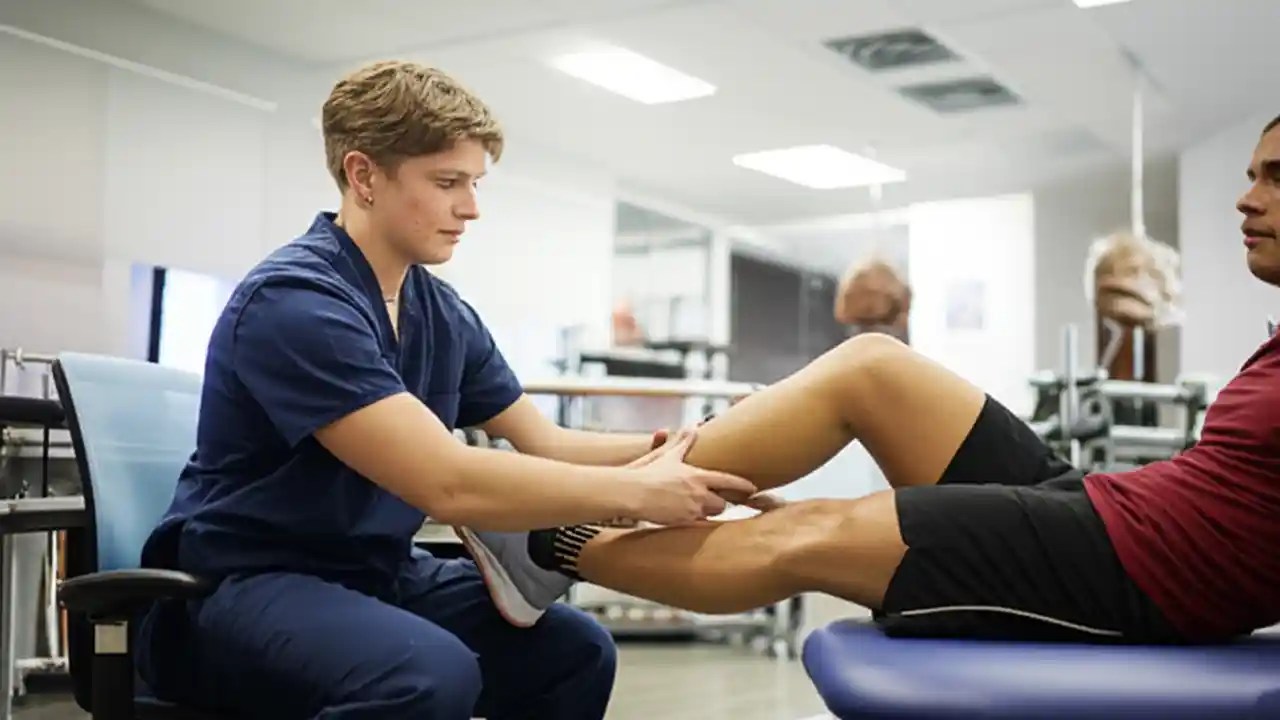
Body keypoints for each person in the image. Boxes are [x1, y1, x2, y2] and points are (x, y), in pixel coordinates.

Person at [463, 113, 1280, 648]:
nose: (1246, 199)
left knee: (820, 531)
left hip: (1148, 578)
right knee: (872, 368)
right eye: (1252, 173)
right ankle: (566, 493)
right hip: (1116, 509)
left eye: (1275, 176)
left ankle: (546, 540)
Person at [134, 60, 758, 720]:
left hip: (371, 575)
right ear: (363, 175)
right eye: (447, 182)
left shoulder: (440, 311)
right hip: (244, 587)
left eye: (475, 183)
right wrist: (636, 492)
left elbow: (546, 441)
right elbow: (446, 482)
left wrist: (703, 451)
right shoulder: (294, 303)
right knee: (426, 677)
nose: (472, 207)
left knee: (576, 651)